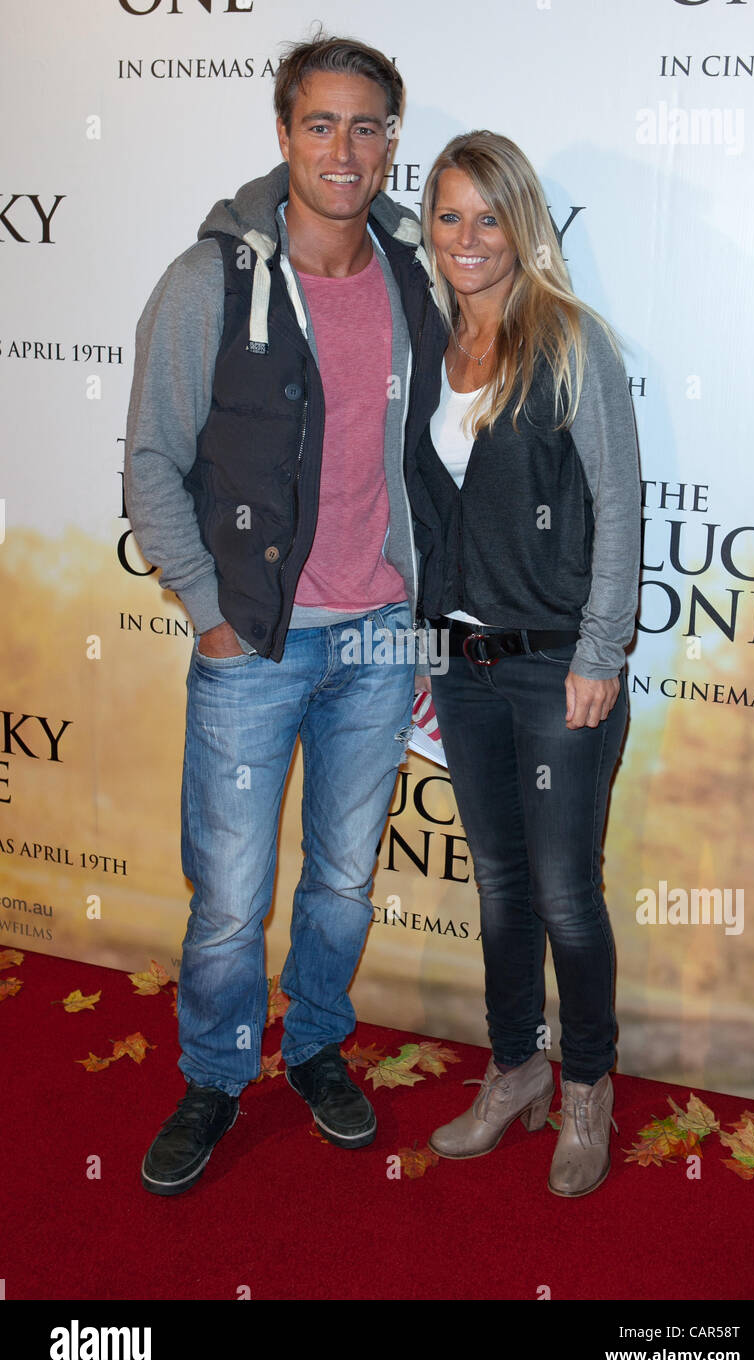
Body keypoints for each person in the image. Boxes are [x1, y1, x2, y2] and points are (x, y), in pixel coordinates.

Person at [124, 34, 441, 1194]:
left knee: (344, 883)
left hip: (378, 639)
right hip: (253, 646)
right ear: (282, 133)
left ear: (391, 141)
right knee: (228, 903)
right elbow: (153, 461)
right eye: (321, 125)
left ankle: (312, 1047)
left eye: (368, 127)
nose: (344, 150)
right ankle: (212, 1075)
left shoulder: (416, 279)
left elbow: (434, 463)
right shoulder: (211, 279)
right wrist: (209, 610)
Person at [406, 131, 641, 1197]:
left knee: (561, 891)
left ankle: (586, 1083)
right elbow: (423, 517)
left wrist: (599, 650)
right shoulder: (430, 350)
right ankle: (514, 1070)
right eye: (447, 216)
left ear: (520, 223)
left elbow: (619, 505)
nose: (466, 238)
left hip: (556, 670)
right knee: (499, 886)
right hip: (459, 666)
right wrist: (422, 642)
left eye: (485, 216)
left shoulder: (570, 343)